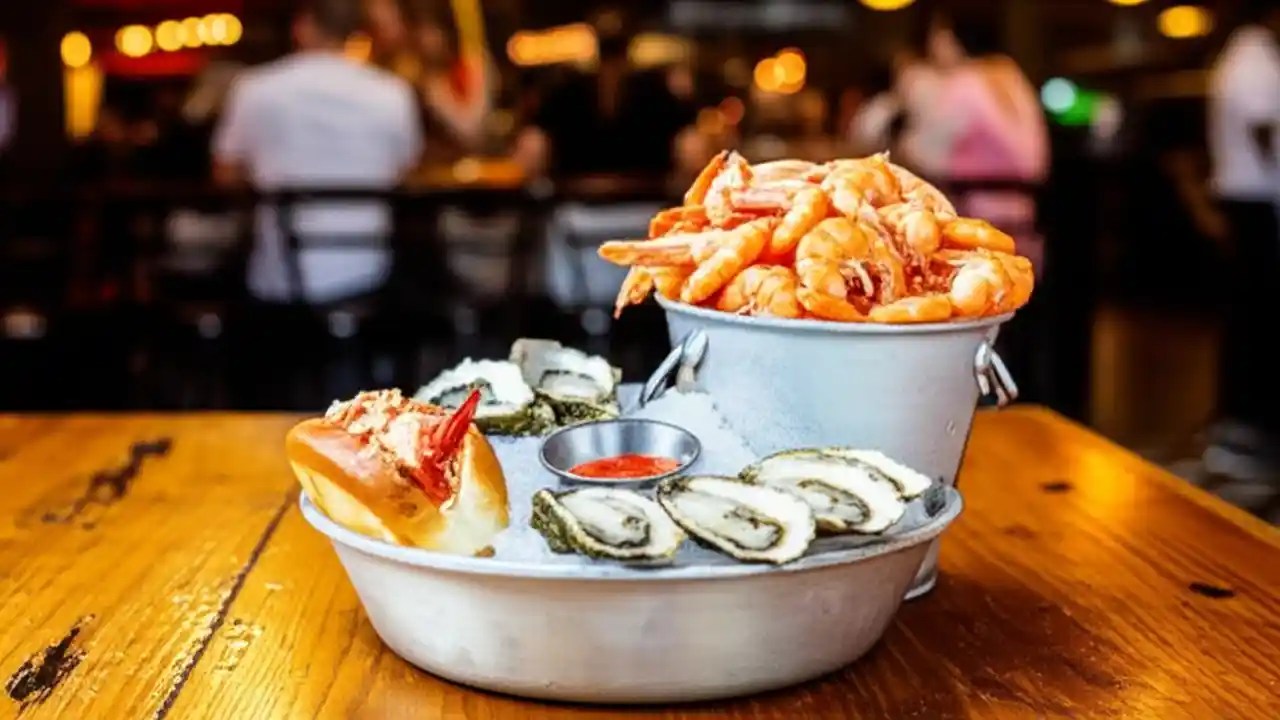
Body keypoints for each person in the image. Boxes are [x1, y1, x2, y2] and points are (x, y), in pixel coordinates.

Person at [213, 0, 423, 306]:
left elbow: (225, 175)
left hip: (277, 276)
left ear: (302, 26)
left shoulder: (254, 88)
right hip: (368, 272)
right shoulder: (392, 92)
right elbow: (405, 171)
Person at [1204, 0, 1280, 471]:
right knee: (1256, 315)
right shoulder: (1253, 58)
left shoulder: (1249, 54)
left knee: (1253, 314)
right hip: (1251, 201)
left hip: (1249, 201)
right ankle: (1244, 426)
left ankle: (1246, 423)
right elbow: (1266, 134)